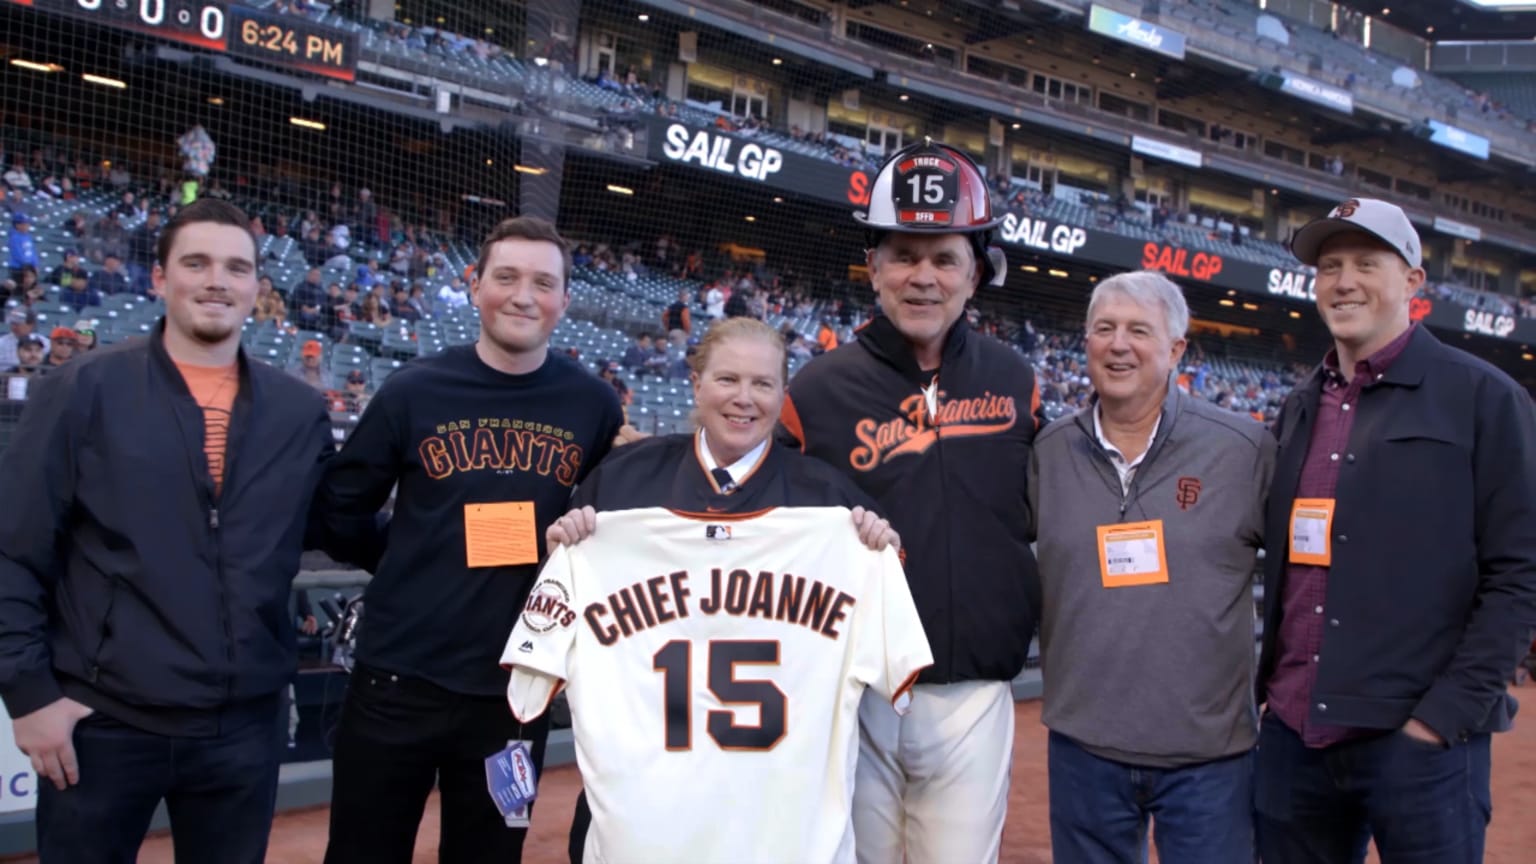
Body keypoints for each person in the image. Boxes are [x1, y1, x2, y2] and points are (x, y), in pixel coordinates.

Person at [0, 198, 335, 863]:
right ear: (159, 279)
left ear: (256, 288)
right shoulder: (81, 387)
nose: (218, 280)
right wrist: (30, 695)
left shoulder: (298, 410)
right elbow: (14, 549)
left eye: (237, 267)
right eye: (196, 262)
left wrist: (502, 524)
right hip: (102, 723)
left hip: (243, 727)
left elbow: (346, 527)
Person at [528, 317, 911, 863]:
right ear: (696, 383)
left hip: (775, 821)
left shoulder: (831, 502)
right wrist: (566, 551)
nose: (745, 399)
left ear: (782, 394)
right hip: (642, 812)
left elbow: (885, 617)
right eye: (728, 379)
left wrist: (881, 551)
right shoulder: (621, 480)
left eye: (763, 384)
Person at [315, 216, 625, 864]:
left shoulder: (593, 405)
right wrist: (409, 556)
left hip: (514, 694)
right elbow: (339, 509)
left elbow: (611, 528)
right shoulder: (414, 390)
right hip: (396, 679)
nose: (523, 295)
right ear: (475, 285)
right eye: (506, 277)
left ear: (564, 301)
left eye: (543, 283)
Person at [777, 140, 1043, 863]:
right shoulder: (814, 391)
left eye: (945, 258)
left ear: (976, 274)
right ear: (872, 268)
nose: (922, 277)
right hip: (853, 690)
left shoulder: (1017, 381)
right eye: (903, 255)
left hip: (974, 694)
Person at [1255, 198, 1536, 863]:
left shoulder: (1485, 398)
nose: (1343, 281)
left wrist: (1442, 719)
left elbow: (1520, 572)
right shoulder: (1298, 408)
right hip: (1295, 736)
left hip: (1419, 744)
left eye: (1364, 263)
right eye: (1329, 266)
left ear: (1413, 282)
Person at [1029, 270, 1275, 863]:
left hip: (1209, 756)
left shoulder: (1243, 450)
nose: (1118, 344)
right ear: (1084, 341)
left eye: (1139, 330)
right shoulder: (1048, 451)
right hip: (1084, 747)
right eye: (1104, 328)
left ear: (1176, 349)